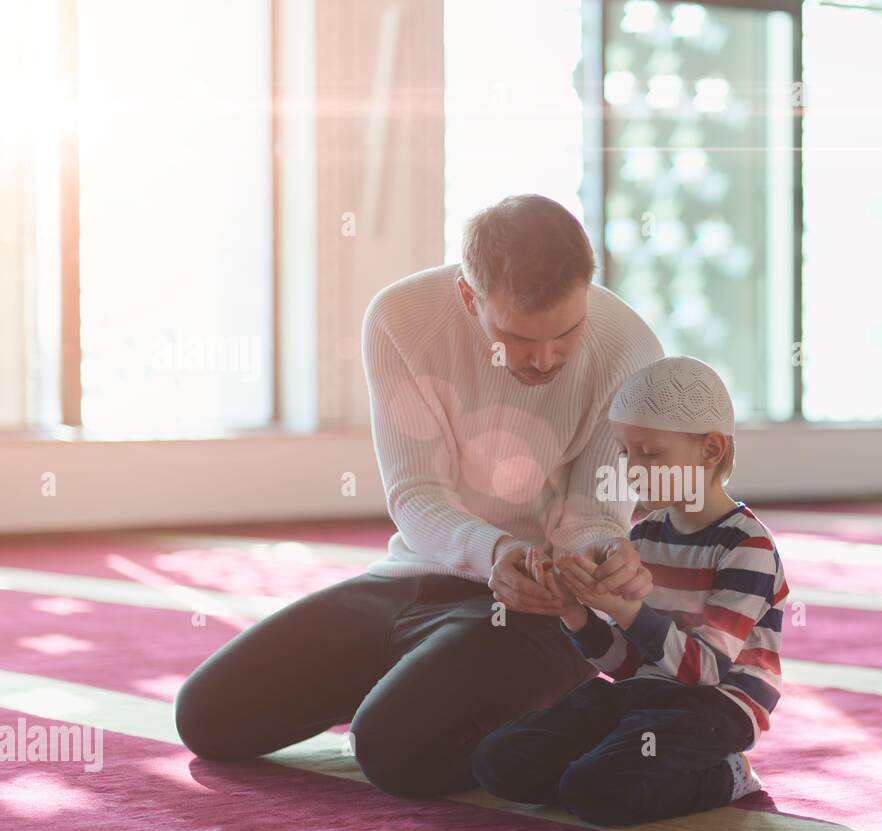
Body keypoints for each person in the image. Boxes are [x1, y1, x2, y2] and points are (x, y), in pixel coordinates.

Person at [174, 194, 664, 798]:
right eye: (516, 337)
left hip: (541, 610)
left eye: (565, 333)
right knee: (208, 716)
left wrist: (604, 557)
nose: (544, 359)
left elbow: (591, 514)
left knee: (394, 750)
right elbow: (416, 494)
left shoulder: (629, 349)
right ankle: (428, 682)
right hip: (414, 577)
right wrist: (496, 554)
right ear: (468, 296)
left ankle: (566, 703)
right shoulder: (401, 320)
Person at [471, 357, 788, 826]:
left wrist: (625, 609)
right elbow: (627, 666)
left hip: (714, 707)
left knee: (596, 792)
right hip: (646, 693)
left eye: (650, 453)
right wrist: (575, 612)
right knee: (499, 762)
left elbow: (703, 672)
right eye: (625, 453)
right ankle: (603, 764)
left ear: (711, 449)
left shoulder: (747, 547)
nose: (633, 470)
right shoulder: (645, 535)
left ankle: (727, 774)